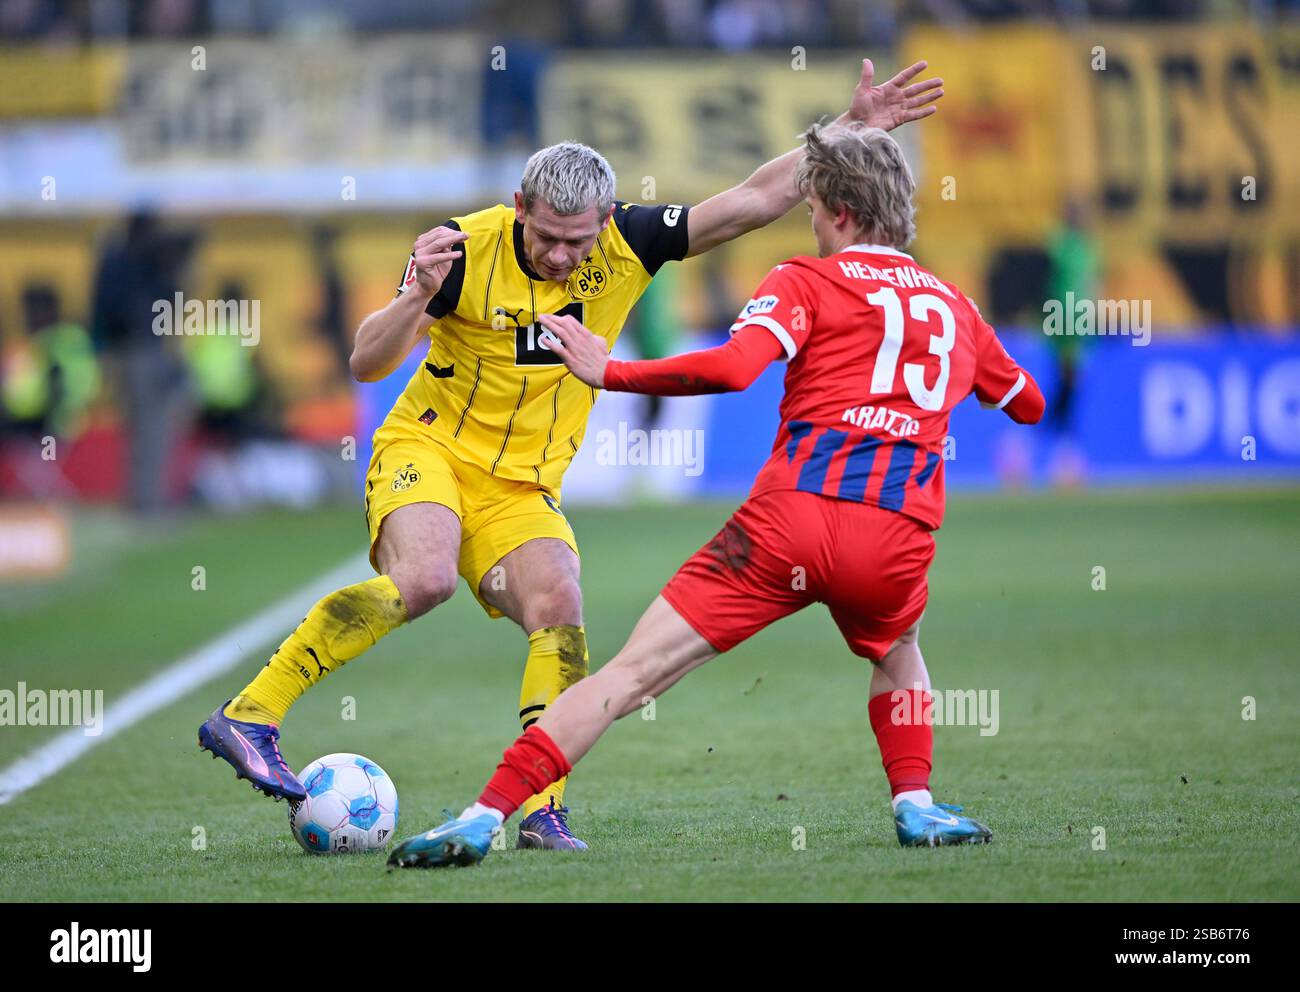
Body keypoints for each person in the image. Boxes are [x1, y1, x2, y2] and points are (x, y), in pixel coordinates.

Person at [199, 60, 944, 852]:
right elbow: (365, 363)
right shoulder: (460, 250)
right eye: (547, 238)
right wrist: (414, 295)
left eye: (576, 241)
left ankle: (541, 808)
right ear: (519, 207)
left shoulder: (628, 241)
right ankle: (251, 714)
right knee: (421, 579)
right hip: (430, 449)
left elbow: (757, 199)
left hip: (522, 486)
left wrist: (850, 132)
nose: (560, 257)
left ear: (604, 220)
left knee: (560, 609)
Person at [387, 120, 1043, 868]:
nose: (812, 221)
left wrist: (613, 372)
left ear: (839, 214)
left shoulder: (805, 279)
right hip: (897, 536)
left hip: (787, 523)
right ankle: (916, 804)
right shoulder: (954, 307)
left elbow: (734, 370)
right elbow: (1025, 404)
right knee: (897, 648)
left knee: (629, 675)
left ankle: (482, 816)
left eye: (816, 209)